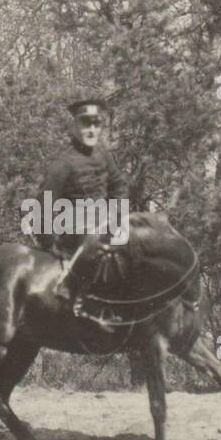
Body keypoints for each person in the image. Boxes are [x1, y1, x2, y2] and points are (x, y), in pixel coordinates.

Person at [34, 98, 131, 312]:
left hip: (106, 221)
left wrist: (118, 216)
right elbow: (43, 204)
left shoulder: (104, 155)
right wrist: (50, 244)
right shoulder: (63, 164)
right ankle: (79, 298)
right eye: (86, 123)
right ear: (74, 127)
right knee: (95, 242)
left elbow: (119, 186)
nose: (92, 130)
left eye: (97, 124)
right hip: (73, 227)